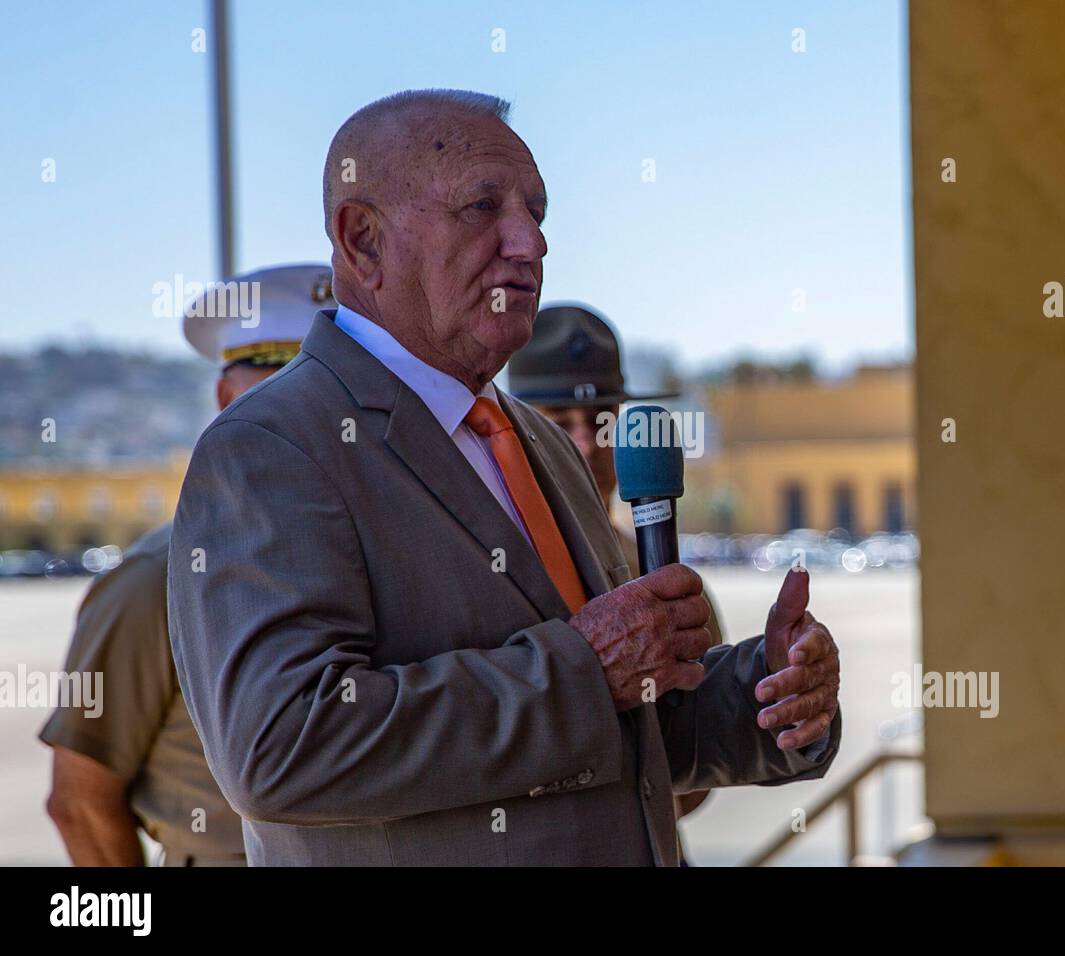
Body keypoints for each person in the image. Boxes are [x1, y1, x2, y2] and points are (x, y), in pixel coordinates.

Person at [168, 89, 841, 866]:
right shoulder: (272, 447)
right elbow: (282, 746)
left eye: (538, 212)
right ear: (363, 241)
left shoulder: (536, 444)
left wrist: (769, 693)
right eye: (482, 206)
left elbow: (617, 733)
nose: (529, 243)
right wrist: (583, 670)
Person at [40, 263, 335, 866]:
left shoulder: (372, 556)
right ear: (227, 398)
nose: (308, 411)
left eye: (327, 386)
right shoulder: (158, 579)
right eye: (280, 383)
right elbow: (81, 803)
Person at [507, 302, 722, 826]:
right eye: (560, 423)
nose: (586, 442)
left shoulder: (659, 565)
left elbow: (694, 785)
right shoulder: (502, 570)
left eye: (603, 421)